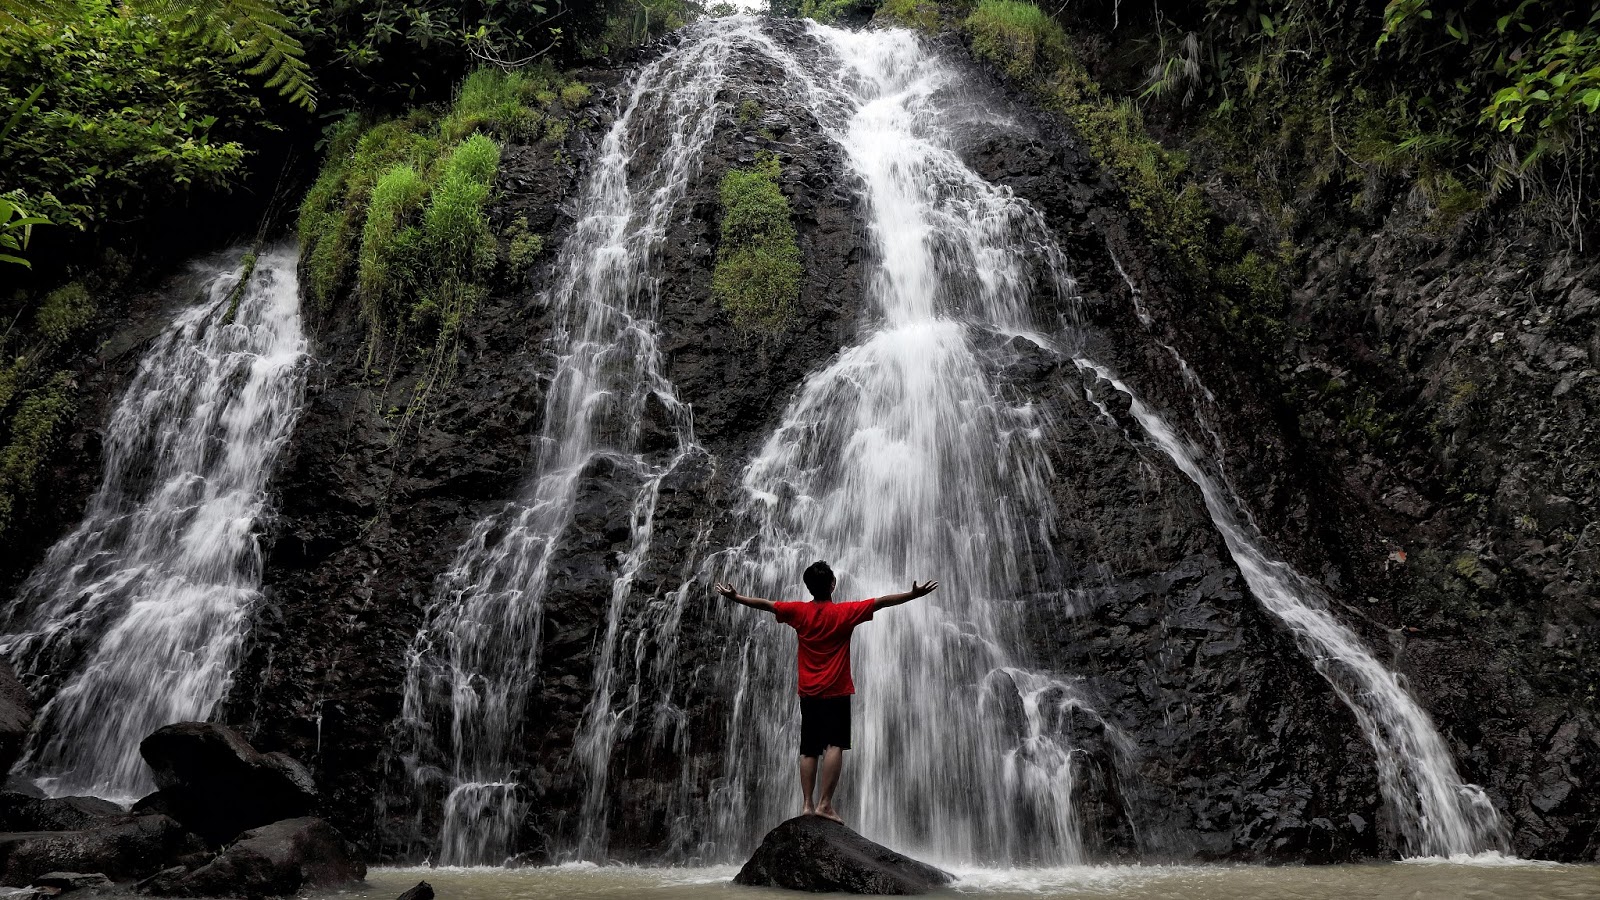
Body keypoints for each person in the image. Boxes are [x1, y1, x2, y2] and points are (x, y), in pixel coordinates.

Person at [714, 560, 938, 825]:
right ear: (833, 584)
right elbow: (881, 602)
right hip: (836, 691)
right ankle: (825, 804)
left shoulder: (797, 612)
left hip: (808, 692)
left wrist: (736, 596)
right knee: (834, 744)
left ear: (809, 588)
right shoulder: (846, 612)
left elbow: (766, 604)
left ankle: (807, 805)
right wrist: (912, 595)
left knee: (809, 748)